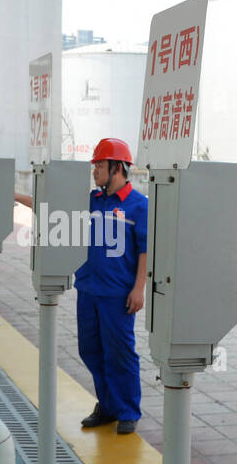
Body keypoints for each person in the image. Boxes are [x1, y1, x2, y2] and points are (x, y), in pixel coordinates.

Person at [14, 137, 148, 434]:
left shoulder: (138, 206)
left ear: (117, 168)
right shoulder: (91, 201)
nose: (95, 170)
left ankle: (127, 410)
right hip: (88, 289)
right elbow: (50, 209)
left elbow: (145, 251)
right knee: (90, 350)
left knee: (121, 353)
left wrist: (139, 288)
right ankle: (109, 404)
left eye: (100, 164)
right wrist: (14, 196)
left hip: (118, 294)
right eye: (95, 165)